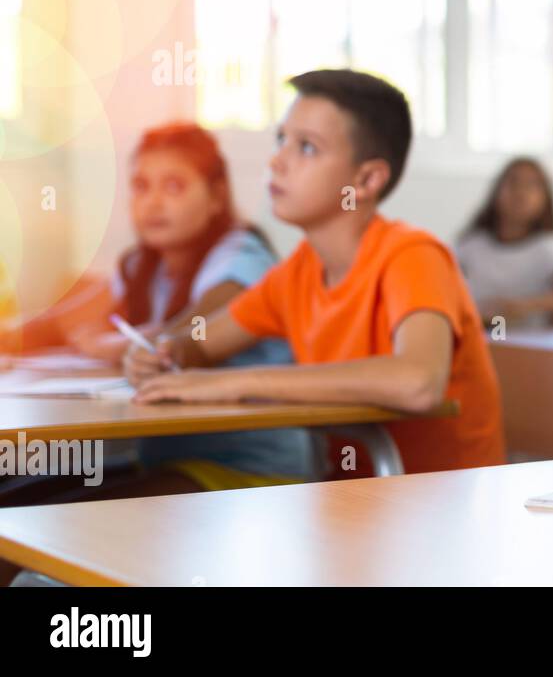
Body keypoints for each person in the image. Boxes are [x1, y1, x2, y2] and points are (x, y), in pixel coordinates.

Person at [123, 70, 506, 476]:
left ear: (366, 179)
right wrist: (165, 352)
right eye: (280, 140)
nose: (277, 161)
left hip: (439, 513)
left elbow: (418, 382)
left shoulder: (412, 255)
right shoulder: (298, 273)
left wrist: (238, 382)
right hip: (352, 509)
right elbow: (201, 341)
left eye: (306, 147)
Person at [457, 157, 553, 329]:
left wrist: (520, 307)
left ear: (545, 198)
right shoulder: (471, 246)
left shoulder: (551, 248)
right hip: (479, 337)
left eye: (532, 185)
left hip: (530, 342)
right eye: (513, 182)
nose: (521, 192)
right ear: (496, 192)